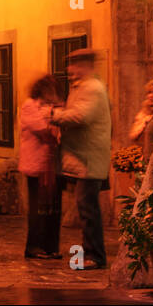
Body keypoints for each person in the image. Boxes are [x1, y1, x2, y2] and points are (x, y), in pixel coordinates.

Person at [50, 48, 111, 270]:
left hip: (88, 158)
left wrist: (54, 116)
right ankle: (91, 252)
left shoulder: (92, 88)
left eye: (73, 64)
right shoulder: (83, 87)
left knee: (88, 209)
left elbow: (81, 116)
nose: (69, 69)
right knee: (86, 207)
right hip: (83, 157)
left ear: (85, 65)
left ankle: (95, 255)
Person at [19, 75, 62, 259]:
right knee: (37, 207)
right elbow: (43, 129)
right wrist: (53, 127)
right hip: (36, 164)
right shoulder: (29, 105)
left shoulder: (52, 108)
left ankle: (51, 246)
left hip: (52, 165)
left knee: (53, 207)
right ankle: (34, 246)